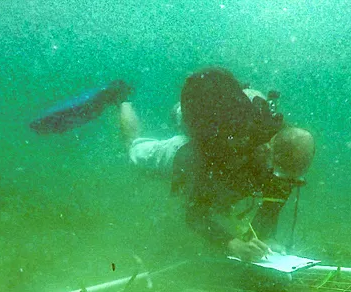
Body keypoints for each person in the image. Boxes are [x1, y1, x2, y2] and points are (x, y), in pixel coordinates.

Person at [120, 68, 315, 262]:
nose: (282, 184)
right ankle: (121, 97)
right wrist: (232, 244)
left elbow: (274, 200)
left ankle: (180, 111)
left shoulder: (282, 159)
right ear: (267, 149)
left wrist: (264, 238)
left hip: (227, 127)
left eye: (291, 180)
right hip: (197, 145)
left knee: (185, 115)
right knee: (135, 152)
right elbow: (195, 214)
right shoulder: (218, 151)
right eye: (280, 176)